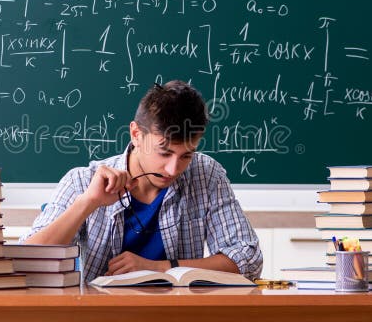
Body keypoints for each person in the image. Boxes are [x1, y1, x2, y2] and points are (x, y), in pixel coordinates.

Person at [23, 80, 263, 282]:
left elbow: (248, 259)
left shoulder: (206, 174)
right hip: (99, 318)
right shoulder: (82, 181)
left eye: (186, 156)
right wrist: (87, 202)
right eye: (165, 153)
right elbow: (26, 262)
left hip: (180, 317)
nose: (173, 169)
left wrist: (159, 268)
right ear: (136, 134)